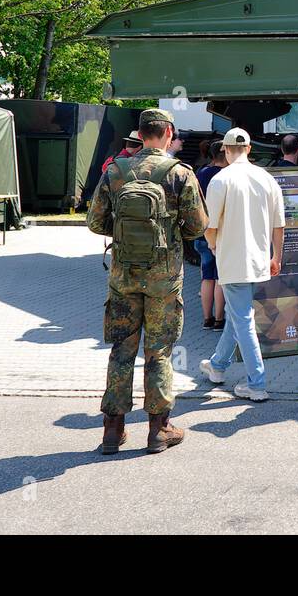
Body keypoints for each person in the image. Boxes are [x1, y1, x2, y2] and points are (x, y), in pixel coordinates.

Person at [88, 108, 207, 455]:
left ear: (139, 134)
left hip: (123, 275)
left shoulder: (115, 170)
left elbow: (95, 223)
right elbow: (198, 226)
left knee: (121, 350)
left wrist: (125, 235)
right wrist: (169, 237)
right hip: (163, 278)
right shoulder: (179, 173)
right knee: (159, 353)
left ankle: (112, 431)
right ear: (168, 133)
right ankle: (159, 429)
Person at [197, 128, 284, 401]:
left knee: (243, 319)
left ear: (225, 149)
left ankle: (256, 383)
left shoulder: (221, 180)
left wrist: (212, 245)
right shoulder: (267, 178)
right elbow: (279, 224)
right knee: (238, 314)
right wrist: (276, 257)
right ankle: (218, 365)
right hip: (258, 259)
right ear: (249, 148)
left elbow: (209, 225)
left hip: (232, 259)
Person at [194, 140, 227, 329]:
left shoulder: (201, 173)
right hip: (220, 234)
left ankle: (206, 318)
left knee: (206, 277)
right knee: (220, 278)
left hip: (201, 232)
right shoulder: (226, 176)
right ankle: (219, 319)